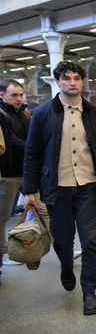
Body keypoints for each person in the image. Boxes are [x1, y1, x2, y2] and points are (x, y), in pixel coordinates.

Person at [22, 61, 96, 315]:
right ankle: (66, 266)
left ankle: (89, 291)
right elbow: (32, 154)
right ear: (58, 81)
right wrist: (29, 191)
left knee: (91, 240)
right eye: (67, 78)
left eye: (77, 78)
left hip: (87, 186)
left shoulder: (95, 113)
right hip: (57, 188)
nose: (73, 82)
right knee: (63, 240)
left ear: (82, 81)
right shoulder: (43, 114)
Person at [0, 79, 29, 271]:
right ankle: (4, 255)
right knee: (2, 216)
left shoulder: (24, 113)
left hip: (27, 171)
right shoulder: (2, 115)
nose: (19, 99)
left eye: (21, 95)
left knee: (43, 210)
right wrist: (33, 150)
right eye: (14, 95)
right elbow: (12, 140)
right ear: (1, 95)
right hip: (8, 173)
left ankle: (61, 248)